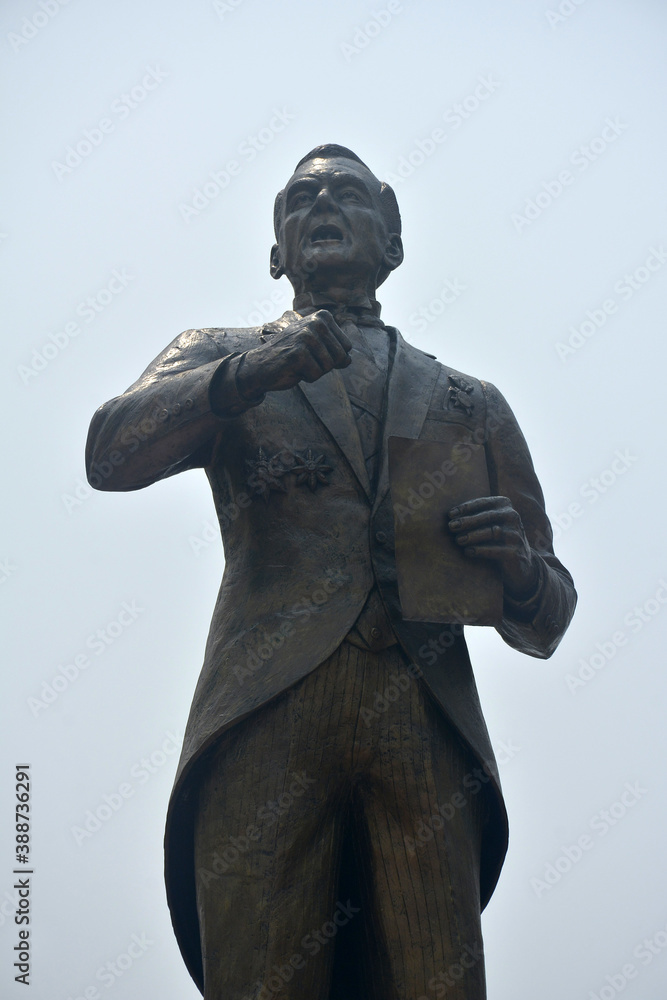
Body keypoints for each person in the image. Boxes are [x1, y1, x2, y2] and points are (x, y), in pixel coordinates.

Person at [86, 144, 576, 999]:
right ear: (277, 252)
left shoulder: (468, 401)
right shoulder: (217, 353)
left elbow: (548, 617)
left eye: (346, 193)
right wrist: (241, 376)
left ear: (391, 237)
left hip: (424, 718)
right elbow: (111, 451)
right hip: (265, 708)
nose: (321, 205)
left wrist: (521, 570)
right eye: (299, 198)